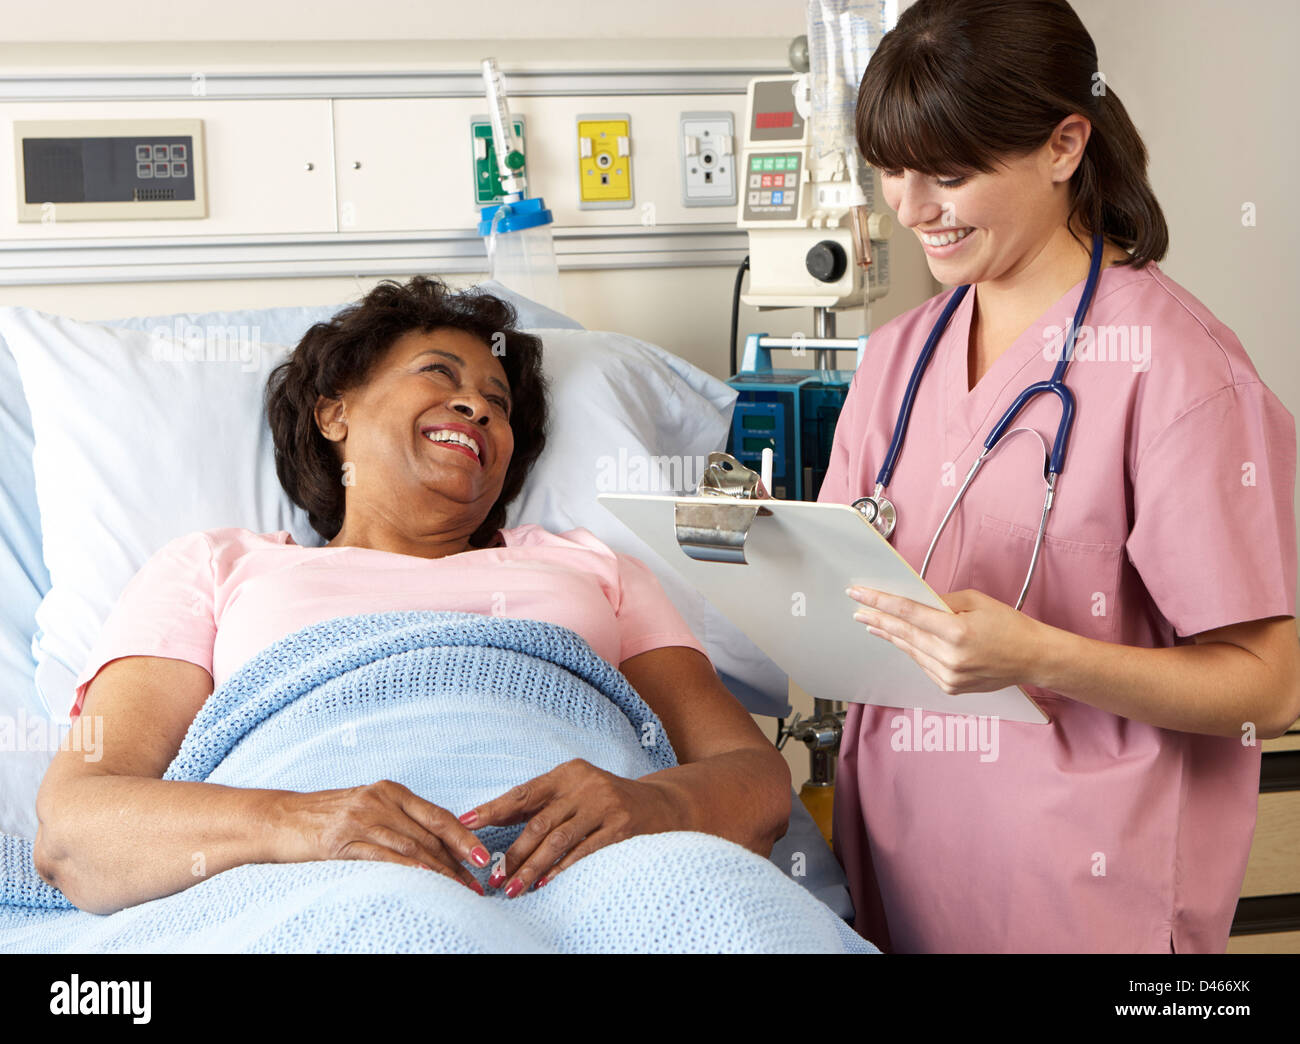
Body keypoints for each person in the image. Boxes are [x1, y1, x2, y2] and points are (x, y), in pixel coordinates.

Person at [34, 275, 791, 915]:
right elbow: (76, 829)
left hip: (602, 874)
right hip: (322, 886)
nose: (479, 408)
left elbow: (755, 780)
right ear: (335, 412)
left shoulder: (598, 571)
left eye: (497, 402)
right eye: (439, 374)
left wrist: (660, 807)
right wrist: (300, 824)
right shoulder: (217, 568)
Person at [821, 0, 1300, 953]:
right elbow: (847, 592)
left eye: (948, 175)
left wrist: (1043, 656)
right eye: (891, 171)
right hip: (902, 862)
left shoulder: (1180, 371)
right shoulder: (897, 359)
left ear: (1063, 144)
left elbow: (1272, 685)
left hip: (1086, 895)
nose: (910, 209)